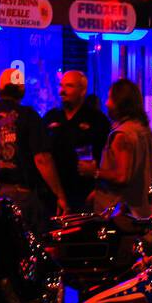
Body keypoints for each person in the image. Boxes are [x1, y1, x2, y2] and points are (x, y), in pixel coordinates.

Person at [0, 68, 69, 225]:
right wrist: (60, 195)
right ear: (22, 90)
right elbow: (42, 159)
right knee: (26, 247)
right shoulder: (28, 115)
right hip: (22, 196)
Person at [91, 78, 152, 217]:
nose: (106, 103)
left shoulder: (122, 135)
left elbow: (122, 176)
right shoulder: (143, 130)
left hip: (121, 216)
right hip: (144, 210)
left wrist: (94, 171)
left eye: (110, 98)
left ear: (121, 103)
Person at [44, 70, 111, 212]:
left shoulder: (97, 119)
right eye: (61, 86)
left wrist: (99, 186)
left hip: (85, 194)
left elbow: (109, 157)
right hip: (54, 195)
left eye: (69, 86)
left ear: (82, 91)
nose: (62, 91)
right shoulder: (51, 117)